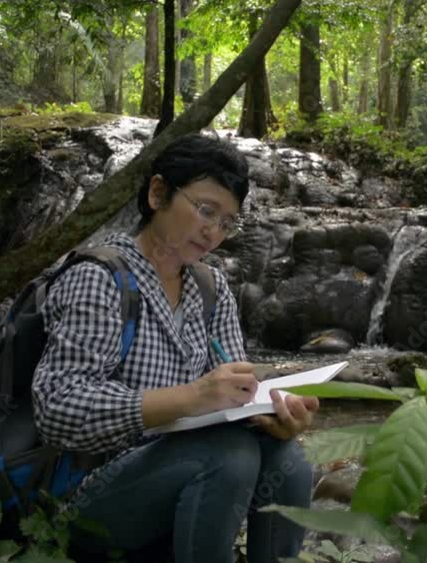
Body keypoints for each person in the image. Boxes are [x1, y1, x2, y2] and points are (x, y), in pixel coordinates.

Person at [31, 133, 319, 563]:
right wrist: (191, 397)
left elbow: (233, 395)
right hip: (87, 494)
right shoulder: (99, 277)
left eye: (226, 222)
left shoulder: (211, 287)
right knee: (230, 456)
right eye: (205, 210)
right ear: (158, 193)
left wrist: (268, 415)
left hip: (185, 472)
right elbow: (59, 407)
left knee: (288, 460)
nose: (213, 231)